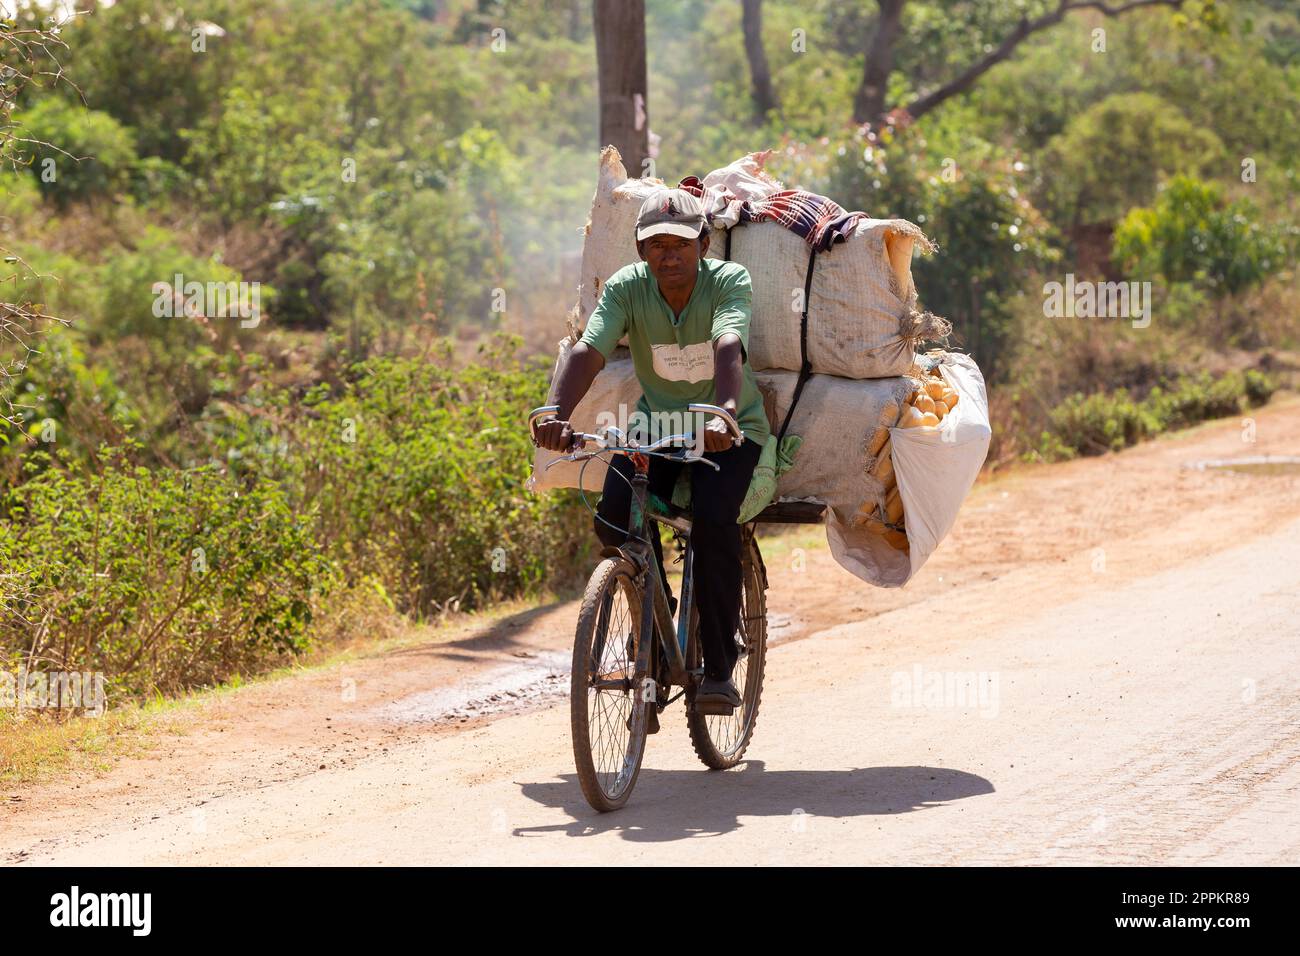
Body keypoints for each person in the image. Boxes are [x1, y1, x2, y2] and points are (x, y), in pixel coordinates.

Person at [533, 186, 769, 714]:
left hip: (727, 431)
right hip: (655, 430)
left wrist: (725, 411)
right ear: (641, 251)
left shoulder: (729, 282)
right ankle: (656, 635)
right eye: (656, 244)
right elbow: (589, 350)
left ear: (703, 245)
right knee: (615, 518)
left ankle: (719, 668)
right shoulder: (625, 289)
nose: (669, 254)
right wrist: (555, 415)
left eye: (681, 243)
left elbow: (729, 343)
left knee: (713, 519)